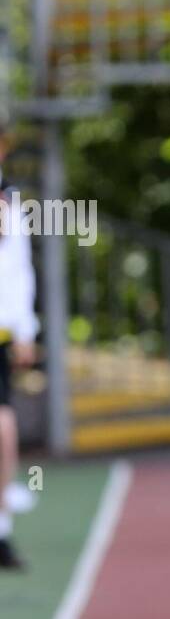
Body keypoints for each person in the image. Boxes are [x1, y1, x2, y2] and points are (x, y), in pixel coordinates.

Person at [0, 167, 39, 571]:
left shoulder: (10, 203)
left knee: (3, 428)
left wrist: (24, 329)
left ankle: (1, 527)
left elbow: (18, 271)